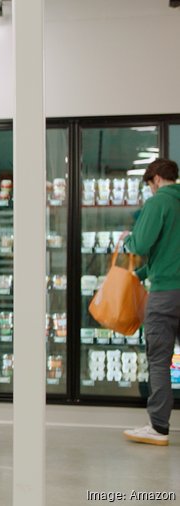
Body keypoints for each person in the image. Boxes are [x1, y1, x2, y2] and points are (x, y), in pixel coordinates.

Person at [122, 158, 180, 447]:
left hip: (166, 296)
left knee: (159, 360)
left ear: (156, 179)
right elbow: (170, 251)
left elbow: (142, 245)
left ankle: (158, 427)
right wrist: (142, 273)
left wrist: (127, 243)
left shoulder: (158, 204)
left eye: (150, 185)